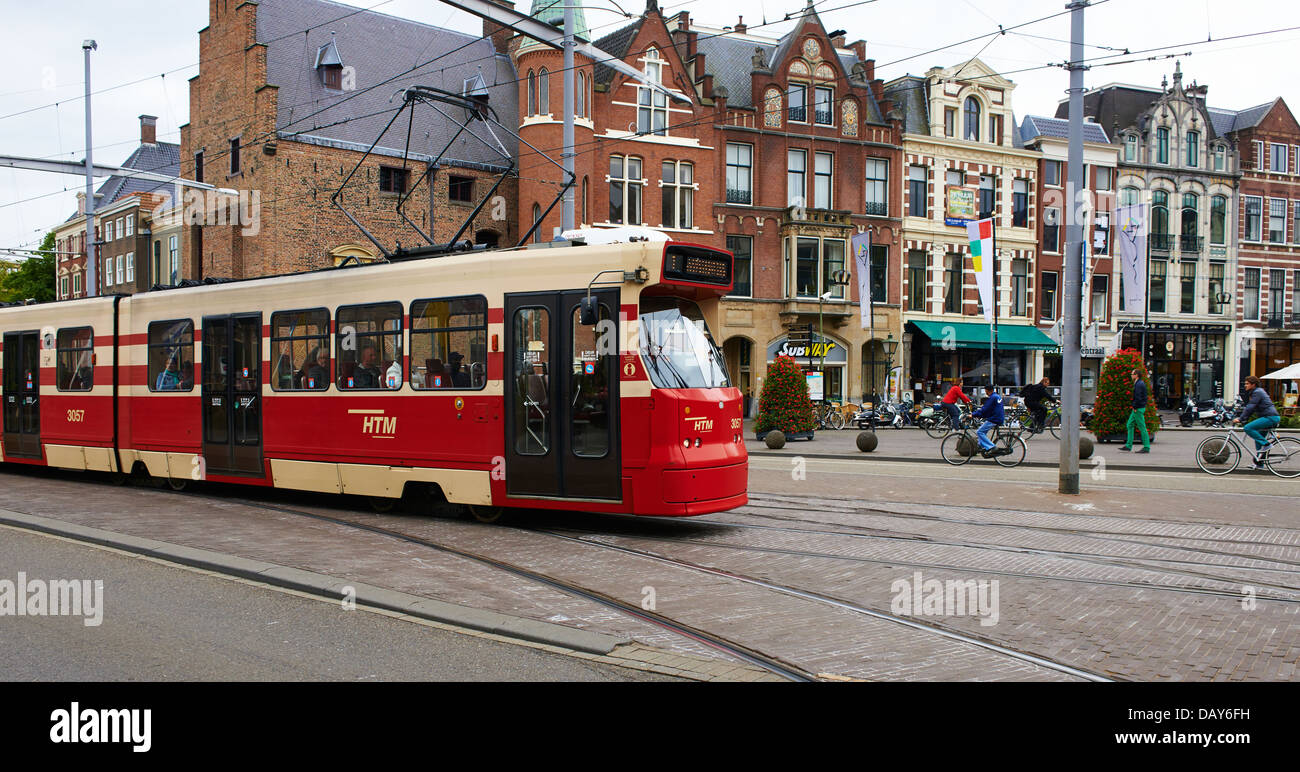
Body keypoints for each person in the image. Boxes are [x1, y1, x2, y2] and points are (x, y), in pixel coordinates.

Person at [1235, 375, 1280, 469]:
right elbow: (1252, 408)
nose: (1245, 386)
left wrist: (1241, 419)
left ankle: (1267, 444)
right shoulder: (1256, 392)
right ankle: (1259, 464)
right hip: (1269, 417)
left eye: (1247, 384)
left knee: (1248, 428)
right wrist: (1245, 418)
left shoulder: (1257, 392)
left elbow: (1250, 407)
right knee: (1258, 440)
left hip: (1270, 417)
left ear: (1253, 384)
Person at [1119, 368, 1151, 453]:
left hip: (1138, 408)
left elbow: (1138, 397)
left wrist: (1135, 407)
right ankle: (1128, 445)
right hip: (1138, 408)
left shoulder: (1139, 384)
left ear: (1136, 375)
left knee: (1142, 427)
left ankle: (1146, 447)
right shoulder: (1139, 383)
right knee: (1130, 424)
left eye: (1132, 374)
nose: (1131, 375)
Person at [972, 383, 1005, 458]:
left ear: (986, 390)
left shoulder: (992, 398)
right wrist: (980, 415)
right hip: (998, 417)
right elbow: (989, 410)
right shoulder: (996, 396)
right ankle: (981, 447)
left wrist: (973, 414)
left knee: (979, 432)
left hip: (994, 419)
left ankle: (991, 447)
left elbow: (985, 409)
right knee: (983, 431)